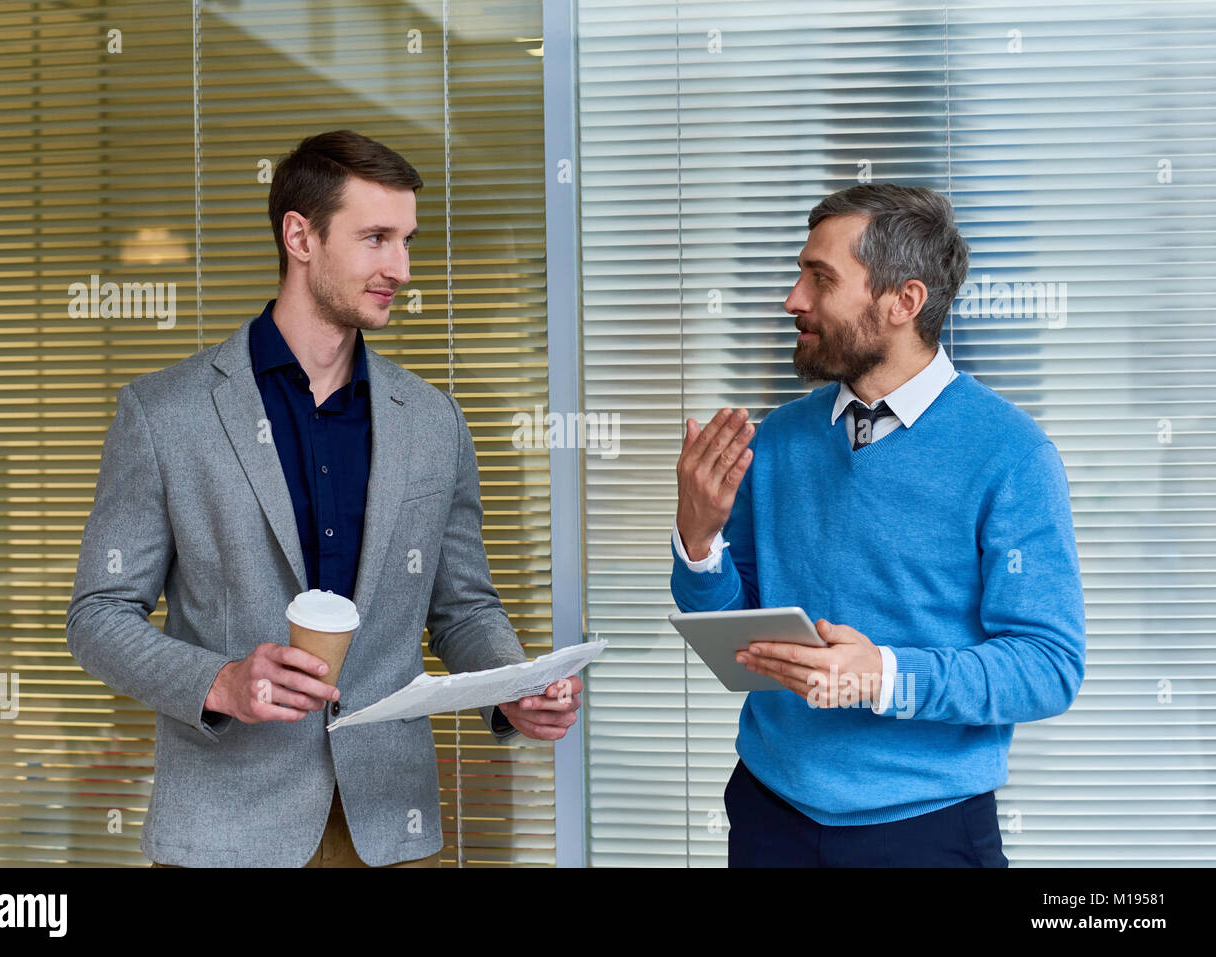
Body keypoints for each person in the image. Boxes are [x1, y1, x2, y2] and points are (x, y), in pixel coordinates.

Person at [67, 129, 582, 868]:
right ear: (299, 236)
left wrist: (513, 690)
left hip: (391, 827)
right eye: (376, 238)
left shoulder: (434, 421)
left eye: (406, 240)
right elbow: (97, 613)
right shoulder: (164, 414)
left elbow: (463, 606)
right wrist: (220, 680)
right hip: (225, 834)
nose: (400, 268)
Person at [670, 183, 1085, 867]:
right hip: (770, 812)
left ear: (903, 301)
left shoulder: (1012, 455)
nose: (793, 299)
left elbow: (1047, 666)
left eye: (819, 277)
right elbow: (739, 631)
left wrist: (883, 675)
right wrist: (699, 542)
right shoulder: (776, 441)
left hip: (926, 832)